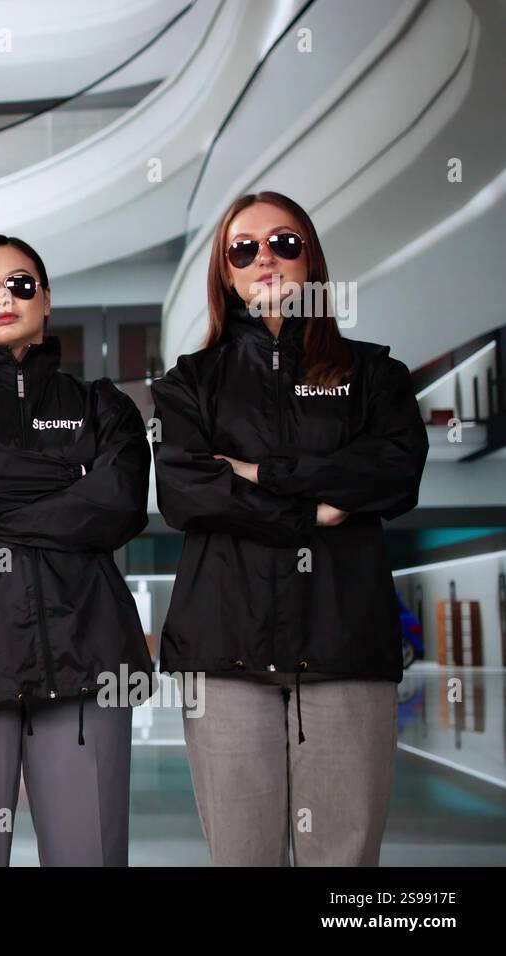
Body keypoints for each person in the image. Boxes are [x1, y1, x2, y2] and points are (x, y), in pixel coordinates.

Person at [150, 190, 429, 866]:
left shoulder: (374, 375)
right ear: (225, 272)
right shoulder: (188, 384)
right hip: (225, 654)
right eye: (243, 249)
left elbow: (394, 472)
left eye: (284, 242)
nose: (265, 258)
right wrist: (317, 506)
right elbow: (187, 493)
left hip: (345, 645)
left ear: (311, 258)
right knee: (243, 856)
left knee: (344, 859)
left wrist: (260, 470)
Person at [0, 234, 151, 866]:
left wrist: (0, 502)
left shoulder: (104, 406)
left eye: (20, 284)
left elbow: (119, 503)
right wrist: (72, 475)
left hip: (86, 666)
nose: (3, 299)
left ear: (46, 298)